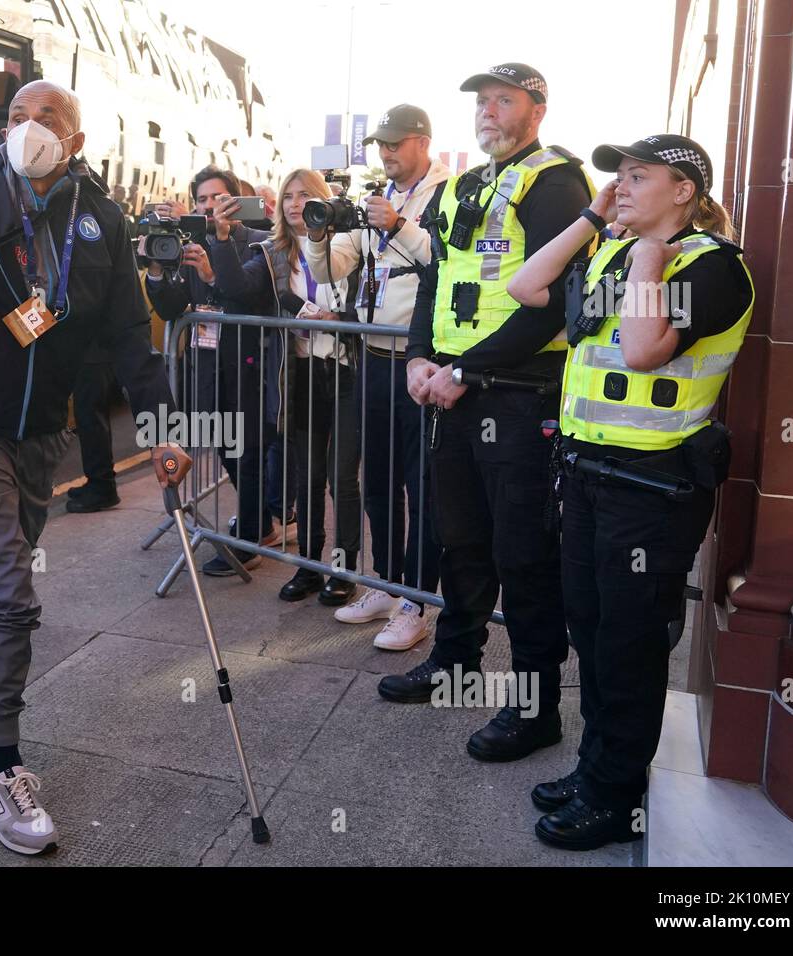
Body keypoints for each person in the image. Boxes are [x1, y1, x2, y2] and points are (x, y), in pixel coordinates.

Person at [0, 80, 189, 856]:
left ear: (75, 142)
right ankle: (0, 770)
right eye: (17, 116)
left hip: (42, 430)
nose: (28, 128)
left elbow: (128, 335)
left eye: (47, 118)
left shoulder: (102, 221)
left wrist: (163, 430)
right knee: (10, 591)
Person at [507, 134, 753, 850]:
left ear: (684, 191)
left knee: (628, 643)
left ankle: (616, 796)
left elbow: (646, 350)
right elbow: (527, 287)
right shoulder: (611, 251)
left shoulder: (711, 266)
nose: (622, 186)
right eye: (618, 176)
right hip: (589, 475)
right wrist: (592, 217)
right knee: (588, 625)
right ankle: (596, 770)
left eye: (638, 177)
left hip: (652, 488)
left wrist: (649, 256)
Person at [378, 64, 595, 766]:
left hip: (517, 395)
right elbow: (437, 276)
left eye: (505, 100)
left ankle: (536, 710)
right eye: (481, 100)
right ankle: (455, 663)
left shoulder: (557, 182)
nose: (488, 111)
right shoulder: (465, 184)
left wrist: (464, 370)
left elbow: (556, 299)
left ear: (536, 110)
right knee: (459, 538)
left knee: (524, 555)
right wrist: (418, 357)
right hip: (450, 391)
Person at [303, 104, 452, 647]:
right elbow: (326, 271)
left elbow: (448, 263)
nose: (386, 154)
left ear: (422, 142)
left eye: (396, 144)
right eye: (382, 146)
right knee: (380, 482)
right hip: (373, 358)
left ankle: (418, 599)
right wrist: (318, 234)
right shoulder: (376, 198)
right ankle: (387, 584)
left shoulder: (448, 194)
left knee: (422, 486)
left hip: (418, 361)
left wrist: (401, 226)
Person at [210, 169, 359, 605]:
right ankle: (310, 567)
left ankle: (344, 570)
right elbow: (235, 288)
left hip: (347, 370)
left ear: (323, 200)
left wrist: (338, 321)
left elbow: (369, 305)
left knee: (341, 477)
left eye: (306, 195)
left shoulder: (349, 245)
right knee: (308, 476)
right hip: (300, 373)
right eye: (289, 196)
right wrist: (220, 240)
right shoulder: (272, 252)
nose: (296, 203)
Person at [145, 166, 276, 575]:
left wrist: (211, 268)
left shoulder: (257, 241)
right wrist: (155, 269)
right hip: (206, 363)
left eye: (217, 199)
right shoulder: (193, 243)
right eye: (201, 200)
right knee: (226, 448)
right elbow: (170, 308)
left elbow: (244, 293)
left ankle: (251, 540)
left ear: (235, 201)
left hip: (247, 363)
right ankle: (262, 524)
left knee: (247, 451)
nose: (208, 207)